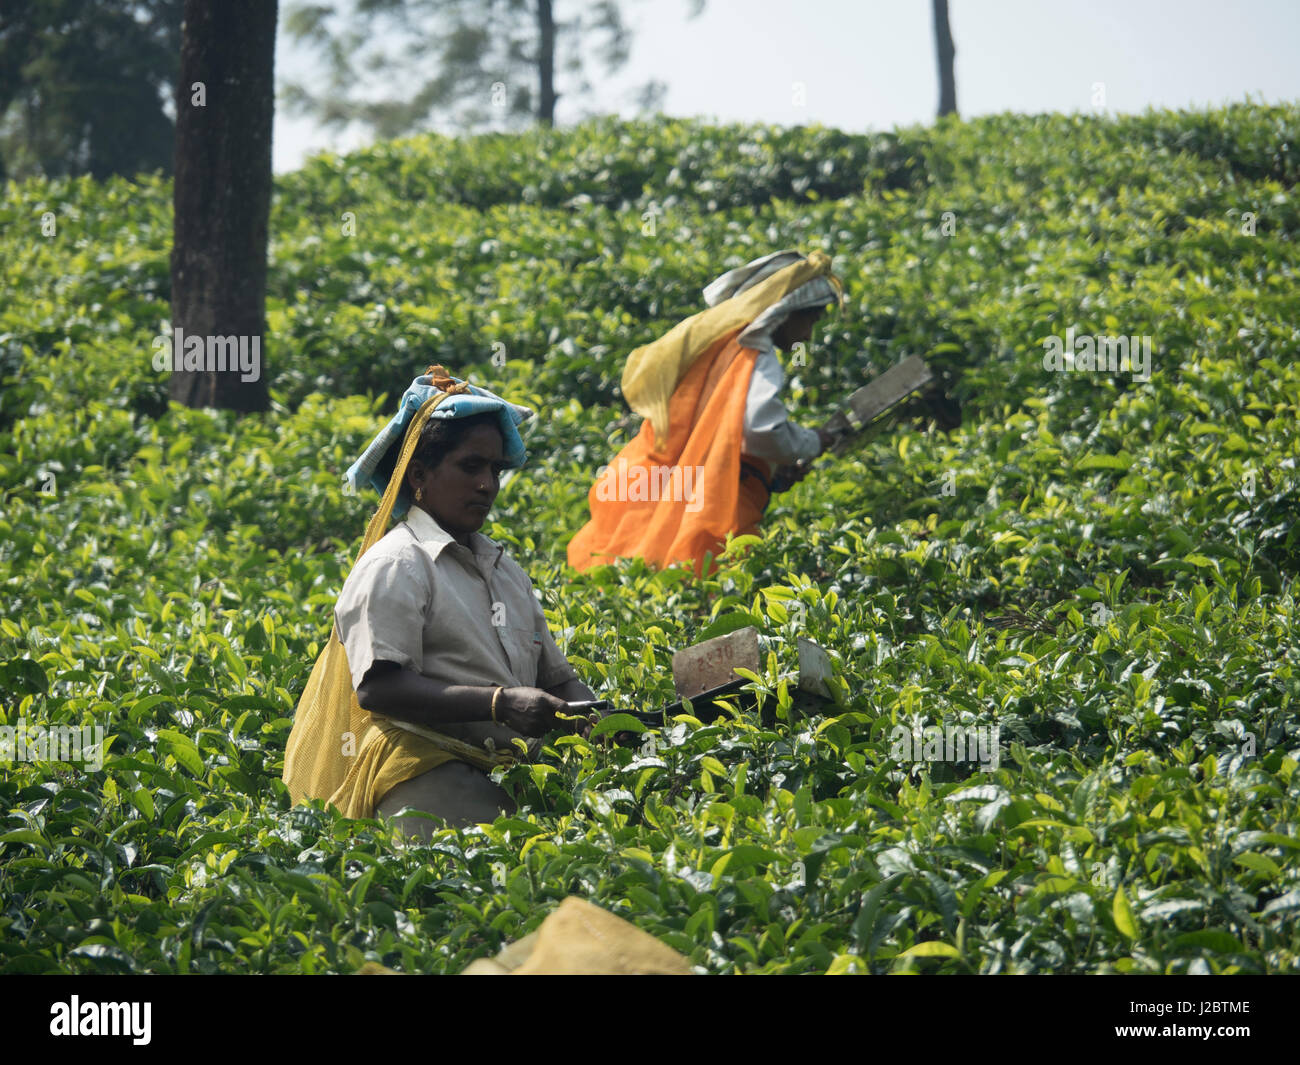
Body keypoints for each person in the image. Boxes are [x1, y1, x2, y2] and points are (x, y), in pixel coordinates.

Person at [287, 366, 598, 837]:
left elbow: (558, 679)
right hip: (423, 778)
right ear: (419, 475)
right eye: (470, 466)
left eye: (495, 469)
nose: (487, 484)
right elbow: (379, 688)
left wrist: (607, 720)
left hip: (506, 780)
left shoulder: (503, 570)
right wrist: (500, 704)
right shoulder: (396, 564)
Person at [567, 249, 844, 575]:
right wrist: (812, 441)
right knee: (706, 583)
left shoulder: (713, 345)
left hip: (668, 486)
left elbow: (715, 433)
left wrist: (769, 470)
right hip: (712, 499)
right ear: (788, 311)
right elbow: (762, 431)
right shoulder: (755, 354)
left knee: (646, 579)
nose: (807, 335)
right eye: (808, 320)